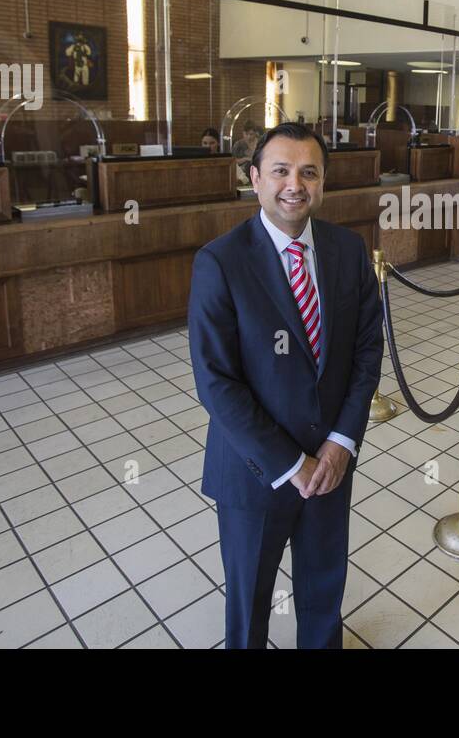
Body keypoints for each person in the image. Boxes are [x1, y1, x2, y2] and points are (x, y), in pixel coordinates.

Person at [188, 122, 383, 648]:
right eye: (280, 171)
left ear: (322, 183)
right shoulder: (220, 263)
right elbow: (216, 381)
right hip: (256, 471)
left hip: (331, 465)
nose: (294, 184)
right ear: (255, 179)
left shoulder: (348, 251)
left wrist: (341, 443)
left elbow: (367, 352)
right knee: (249, 598)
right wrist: (292, 463)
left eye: (308, 172)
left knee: (323, 591)